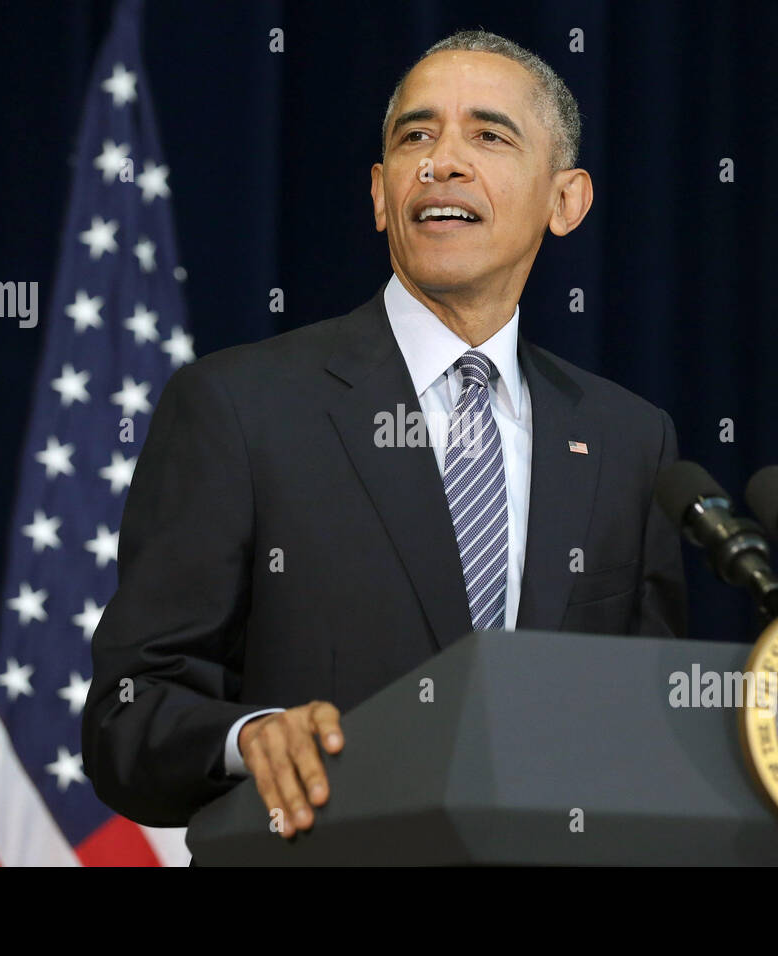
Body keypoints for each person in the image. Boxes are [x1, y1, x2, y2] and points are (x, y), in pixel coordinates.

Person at [81, 29, 687, 841]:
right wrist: (247, 738)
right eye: (416, 136)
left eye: (489, 135)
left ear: (565, 200)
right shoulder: (239, 405)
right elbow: (131, 711)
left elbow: (646, 728)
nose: (443, 161)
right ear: (379, 193)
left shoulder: (627, 438)